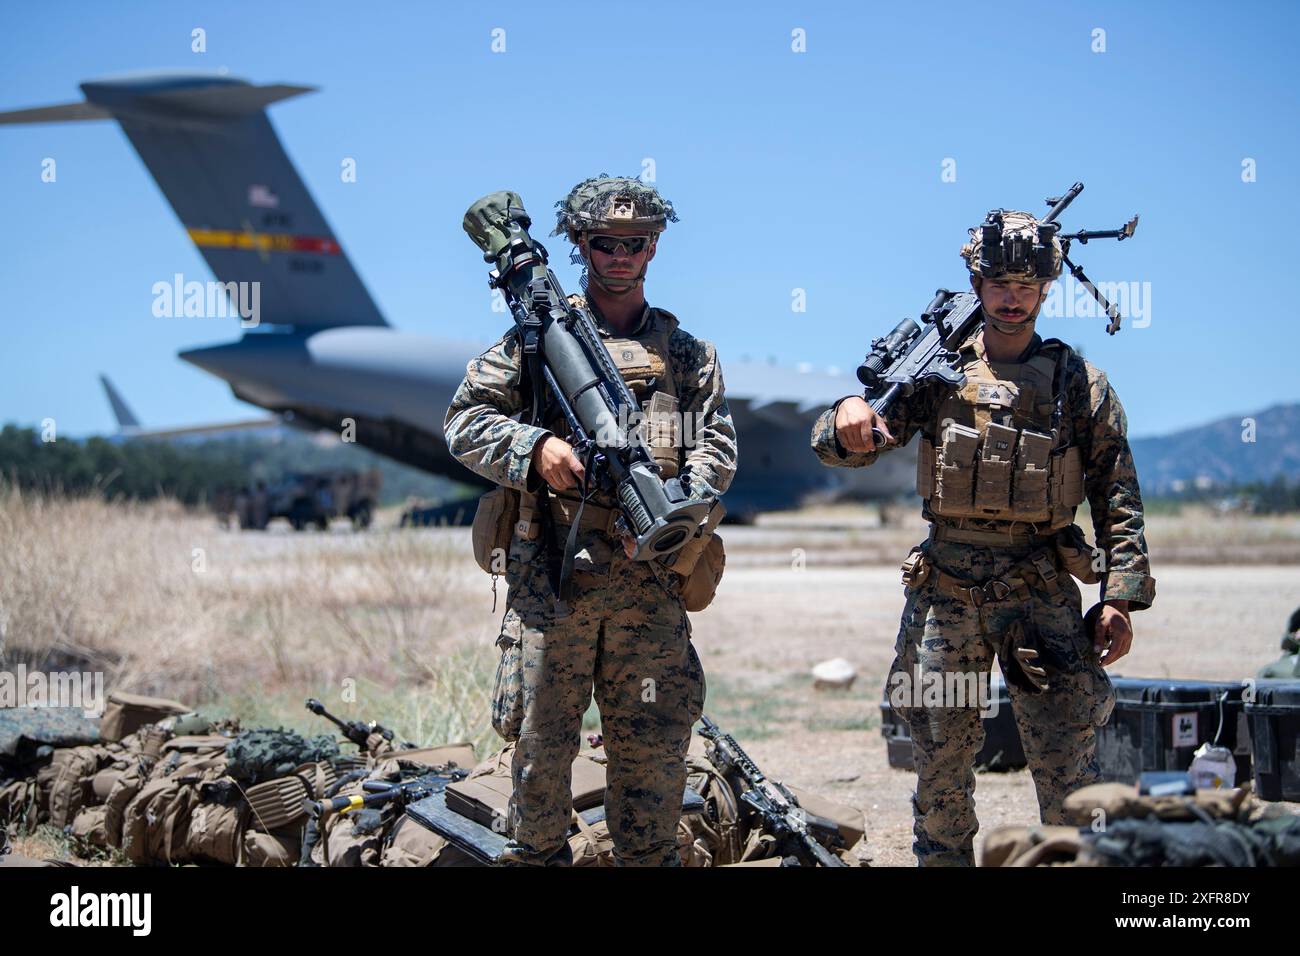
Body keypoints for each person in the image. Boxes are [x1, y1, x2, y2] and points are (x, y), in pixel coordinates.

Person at [811, 207, 1156, 866]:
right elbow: (845, 446)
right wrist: (844, 419)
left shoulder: (1078, 384)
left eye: (1027, 283)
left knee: (1069, 775)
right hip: (947, 596)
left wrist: (1121, 597)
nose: (1011, 296)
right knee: (941, 776)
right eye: (998, 280)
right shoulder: (935, 375)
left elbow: (1118, 493)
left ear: (1047, 289)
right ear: (976, 283)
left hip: (1043, 592)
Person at [444, 176, 737, 865]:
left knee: (653, 775)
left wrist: (675, 510)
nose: (620, 255)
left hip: (649, 592)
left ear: (654, 247)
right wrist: (534, 446)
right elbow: (462, 421)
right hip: (555, 593)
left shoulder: (687, 355)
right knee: (541, 773)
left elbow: (716, 445)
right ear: (579, 243)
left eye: (634, 243)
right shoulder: (540, 341)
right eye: (605, 242)